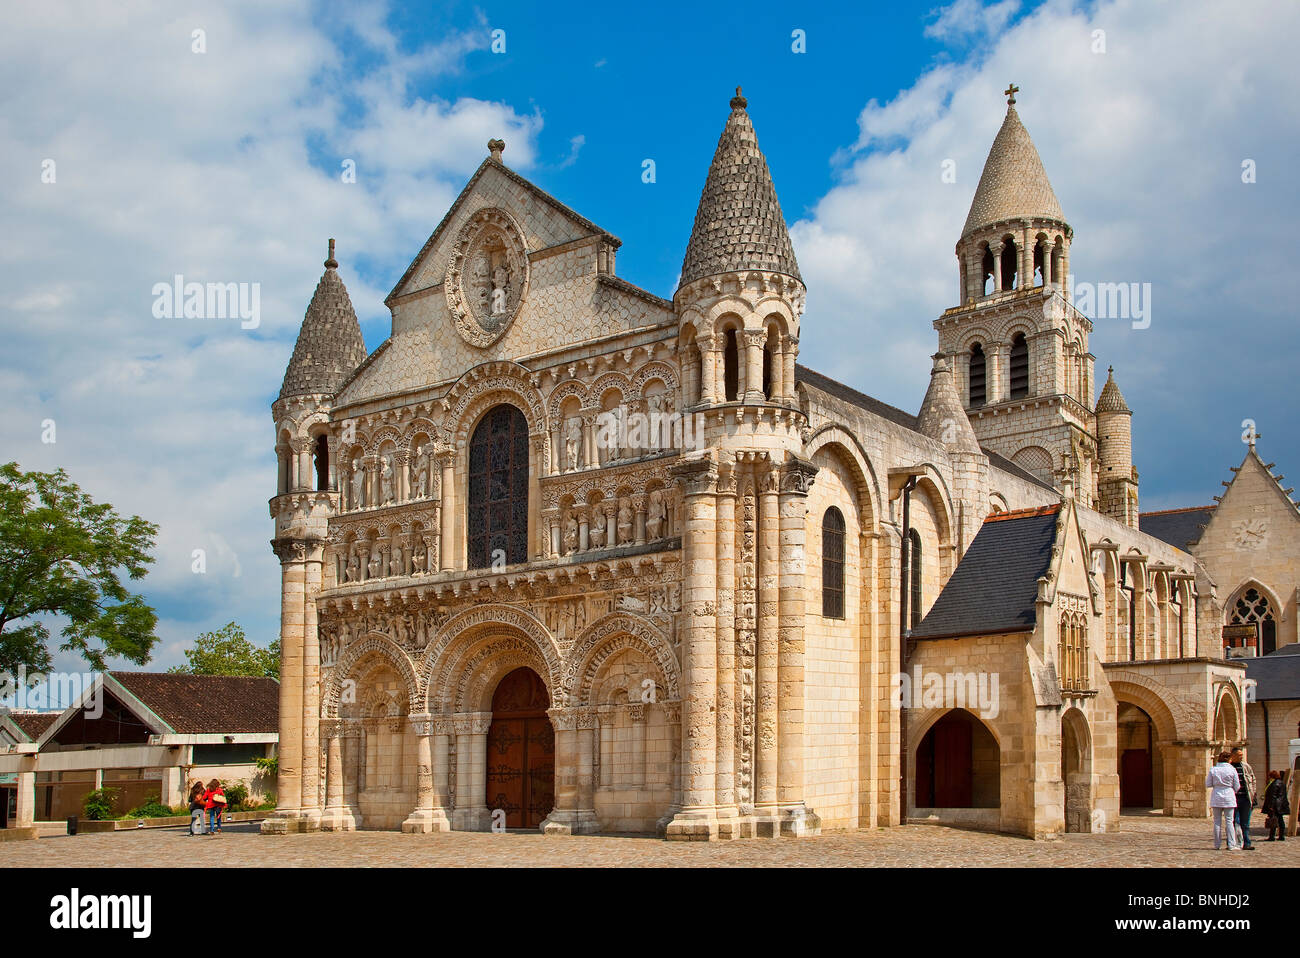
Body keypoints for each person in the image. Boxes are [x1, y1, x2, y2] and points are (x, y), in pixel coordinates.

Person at [1206, 751, 1242, 850]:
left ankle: (1217, 845)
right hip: (1229, 795)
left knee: (1217, 822)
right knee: (1229, 821)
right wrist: (1230, 789)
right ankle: (1231, 844)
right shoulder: (1232, 770)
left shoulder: (1214, 769)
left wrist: (1217, 785)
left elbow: (1208, 783)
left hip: (1217, 795)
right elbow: (1237, 785)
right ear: (1229, 759)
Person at [1230, 747, 1258, 850]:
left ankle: (1247, 843)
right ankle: (1237, 842)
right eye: (1239, 755)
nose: (1241, 757)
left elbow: (1253, 779)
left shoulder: (1246, 766)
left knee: (1245, 823)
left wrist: (1253, 792)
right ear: (1233, 755)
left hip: (1245, 798)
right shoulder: (1230, 767)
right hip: (1234, 799)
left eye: (1242, 755)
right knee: (1235, 821)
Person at [1263, 770, 1290, 841]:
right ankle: (1281, 836)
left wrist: (1271, 806)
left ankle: (1272, 836)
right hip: (1281, 804)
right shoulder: (1282, 783)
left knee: (1273, 820)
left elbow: (1273, 796)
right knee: (1280, 820)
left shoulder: (1274, 784)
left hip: (1276, 805)